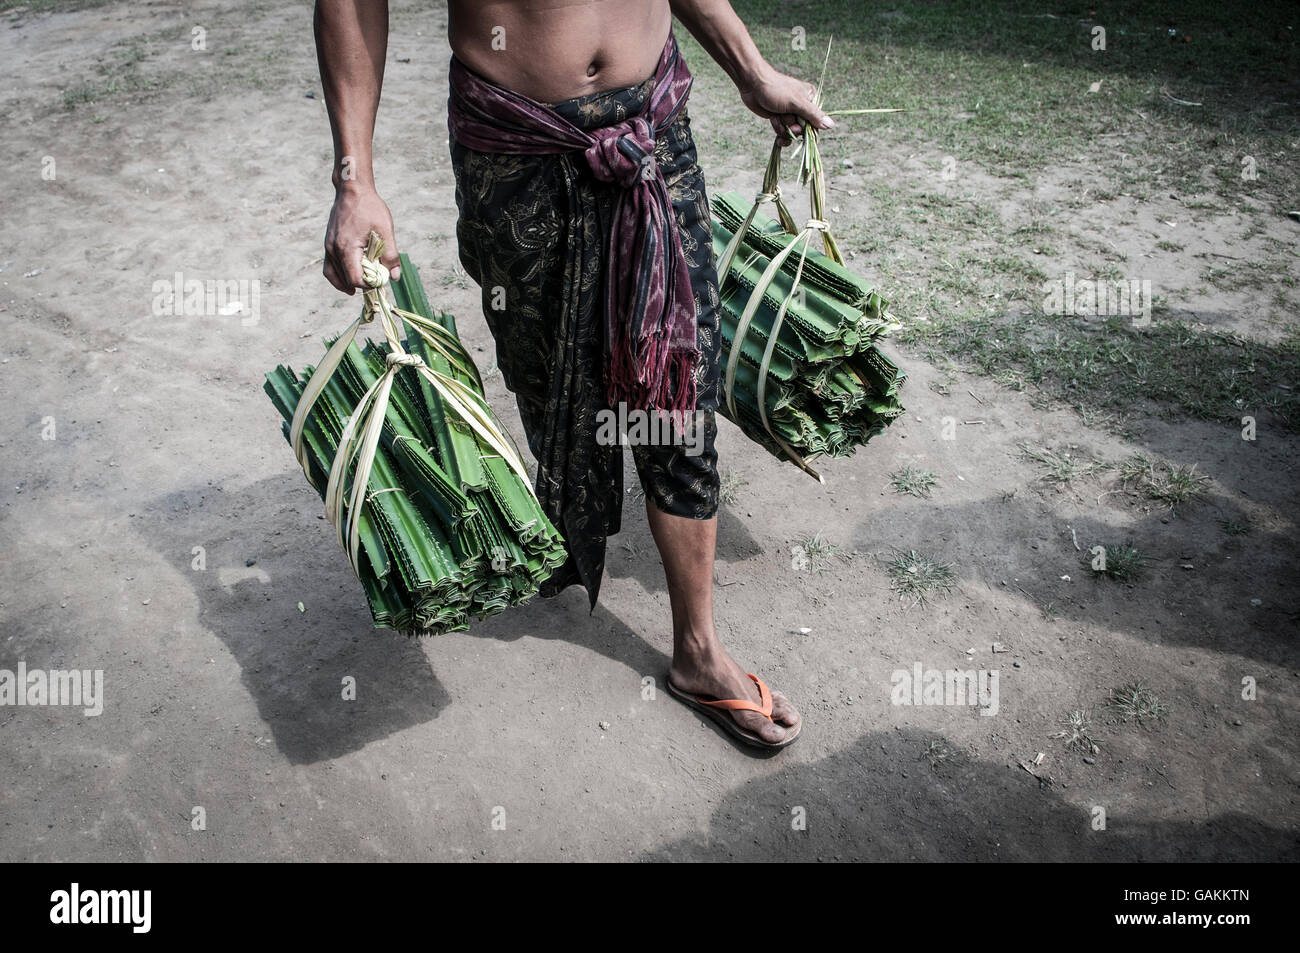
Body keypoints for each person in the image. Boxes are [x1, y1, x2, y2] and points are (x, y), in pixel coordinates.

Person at [314, 0, 832, 749]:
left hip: (652, 123)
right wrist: (353, 180)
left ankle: (698, 650)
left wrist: (751, 70)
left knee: (675, 379)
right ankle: (564, 526)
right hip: (516, 142)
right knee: (548, 375)